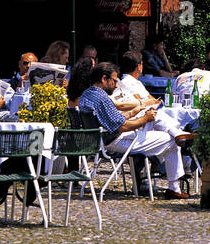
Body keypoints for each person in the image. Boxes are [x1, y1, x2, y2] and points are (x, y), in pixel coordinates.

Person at [77, 61, 190, 199]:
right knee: (171, 140)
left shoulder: (88, 94)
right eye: (114, 80)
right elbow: (122, 126)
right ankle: (174, 186)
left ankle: (176, 135)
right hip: (116, 141)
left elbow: (112, 119)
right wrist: (145, 119)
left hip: (101, 140)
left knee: (157, 119)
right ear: (104, 79)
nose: (116, 84)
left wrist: (134, 112)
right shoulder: (102, 98)